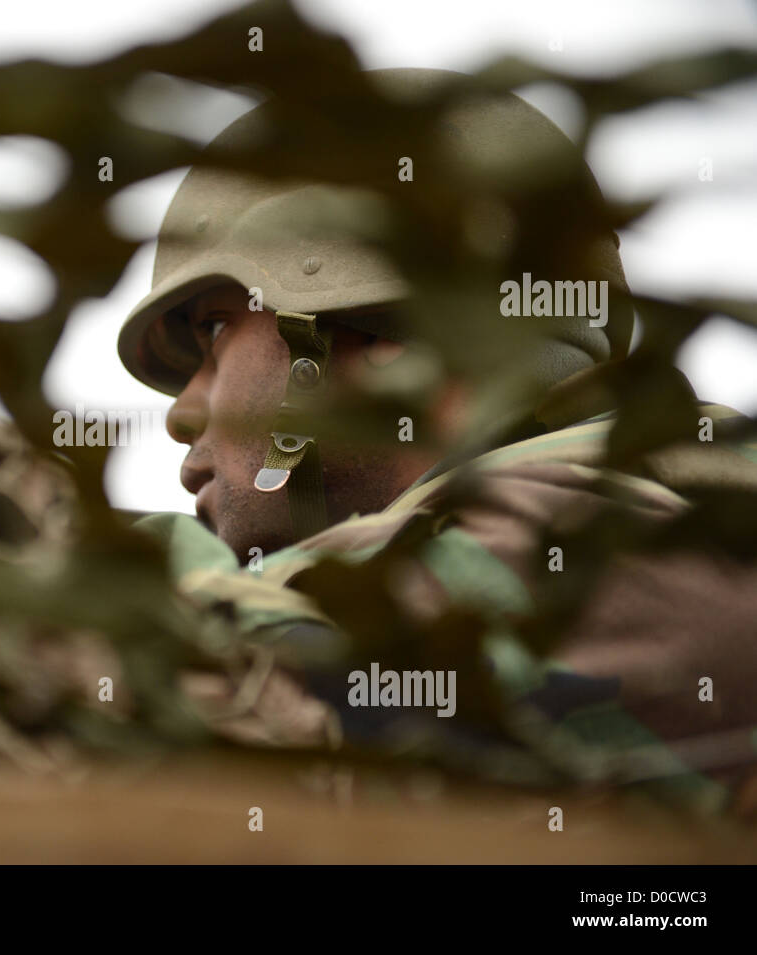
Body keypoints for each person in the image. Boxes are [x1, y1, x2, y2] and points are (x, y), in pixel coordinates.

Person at [118, 68, 757, 812]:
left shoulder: (644, 537)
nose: (181, 415)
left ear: (383, 331)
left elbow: (246, 672)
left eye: (215, 333)